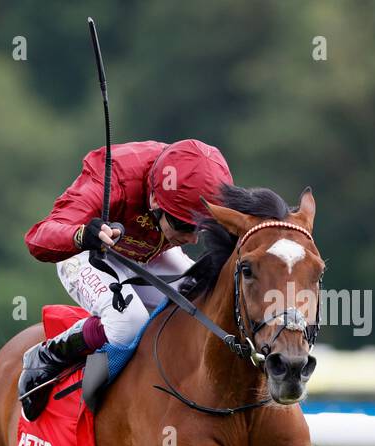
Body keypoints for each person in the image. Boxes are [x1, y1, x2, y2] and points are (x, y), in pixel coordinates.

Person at [18, 138, 233, 420]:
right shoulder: (113, 175)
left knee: (203, 304)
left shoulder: (199, 180)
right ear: (156, 199)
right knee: (128, 322)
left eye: (202, 228)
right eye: (183, 225)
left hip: (148, 253)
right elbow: (38, 237)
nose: (193, 239)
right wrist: (82, 235)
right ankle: (47, 355)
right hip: (89, 252)